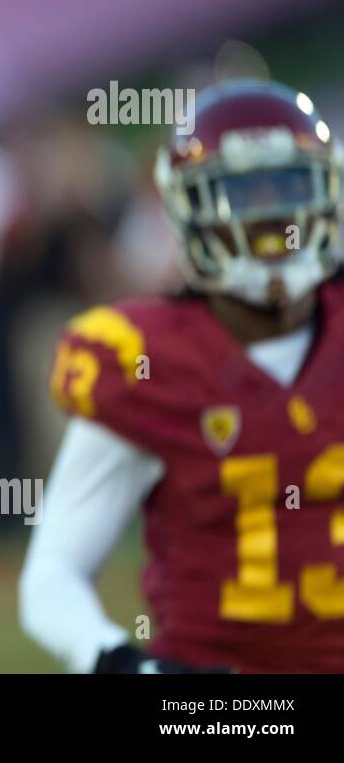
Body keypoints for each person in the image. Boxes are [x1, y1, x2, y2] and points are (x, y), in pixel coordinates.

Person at [20, 79, 344, 673]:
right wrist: (125, 664)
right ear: (187, 210)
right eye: (241, 193)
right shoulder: (148, 362)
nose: (272, 215)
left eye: (289, 185)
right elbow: (51, 578)